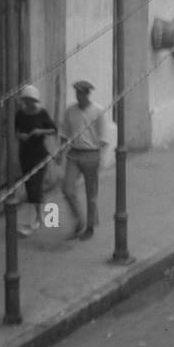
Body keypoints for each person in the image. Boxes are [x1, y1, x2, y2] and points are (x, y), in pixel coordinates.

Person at [60, 80, 108, 240]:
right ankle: (79, 219)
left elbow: (103, 138)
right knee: (67, 188)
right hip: (74, 153)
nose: (79, 96)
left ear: (87, 94)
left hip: (91, 153)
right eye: (77, 93)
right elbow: (64, 133)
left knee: (91, 193)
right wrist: (60, 153)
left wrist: (101, 158)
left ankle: (90, 226)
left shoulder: (98, 111)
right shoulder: (70, 111)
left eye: (82, 93)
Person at [14, 83, 58, 235]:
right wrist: (21, 136)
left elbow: (53, 129)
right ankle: (37, 215)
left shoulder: (42, 113)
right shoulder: (20, 114)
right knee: (29, 185)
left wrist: (40, 131)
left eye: (31, 101)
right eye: (26, 101)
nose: (29, 103)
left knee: (36, 184)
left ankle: (37, 217)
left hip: (40, 154)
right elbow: (15, 132)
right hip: (25, 153)